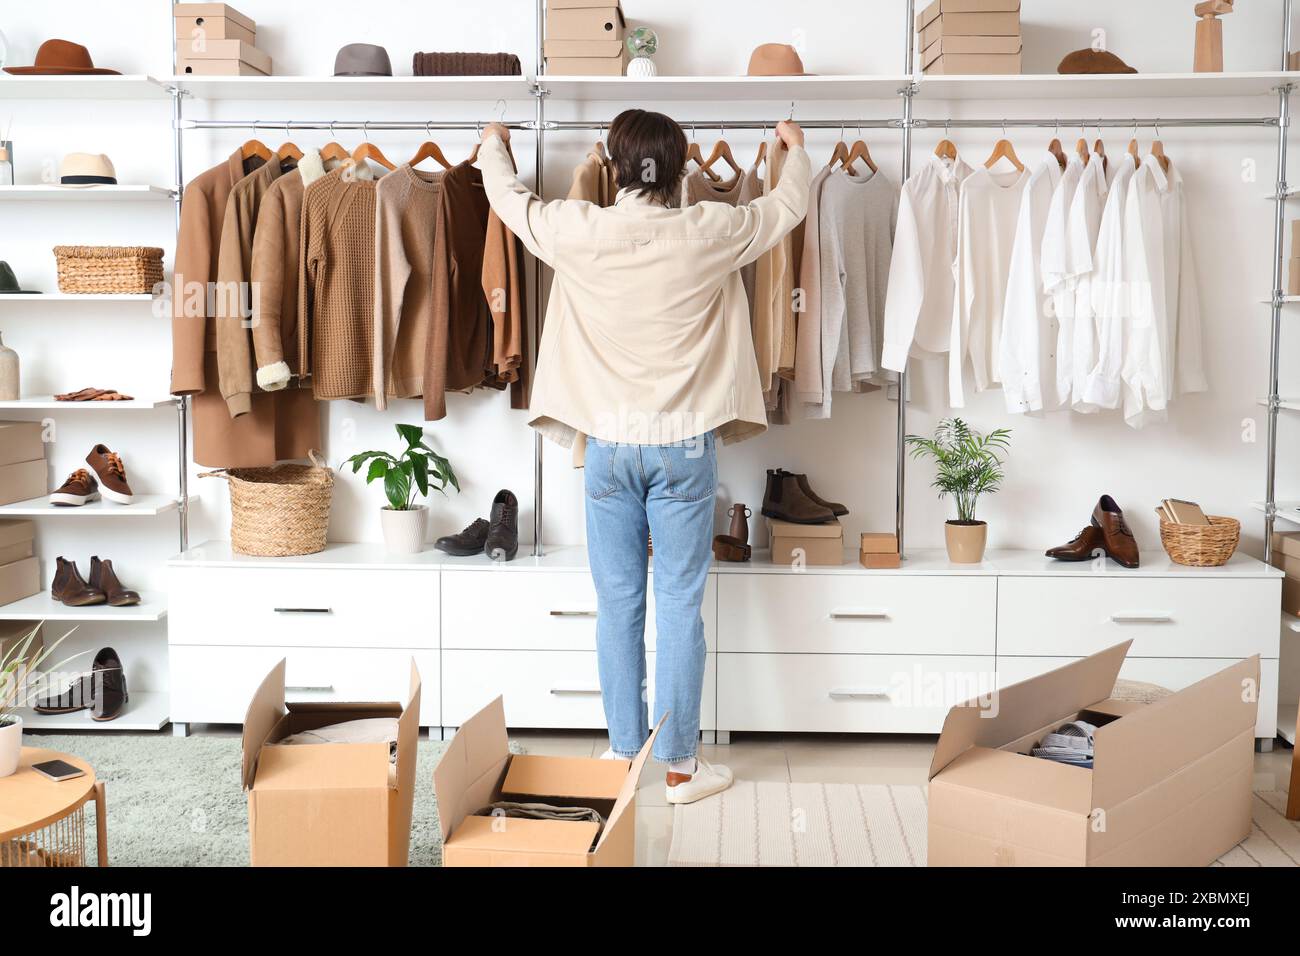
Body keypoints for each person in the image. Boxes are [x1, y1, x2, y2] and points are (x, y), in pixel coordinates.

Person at [477, 110, 809, 804]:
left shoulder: (579, 229)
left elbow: (507, 200)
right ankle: (683, 769)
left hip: (609, 447)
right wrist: (794, 149)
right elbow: (788, 205)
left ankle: (625, 757)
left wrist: (494, 143)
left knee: (618, 605)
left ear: (616, 167)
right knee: (679, 607)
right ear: (680, 167)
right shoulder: (711, 231)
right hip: (684, 447)